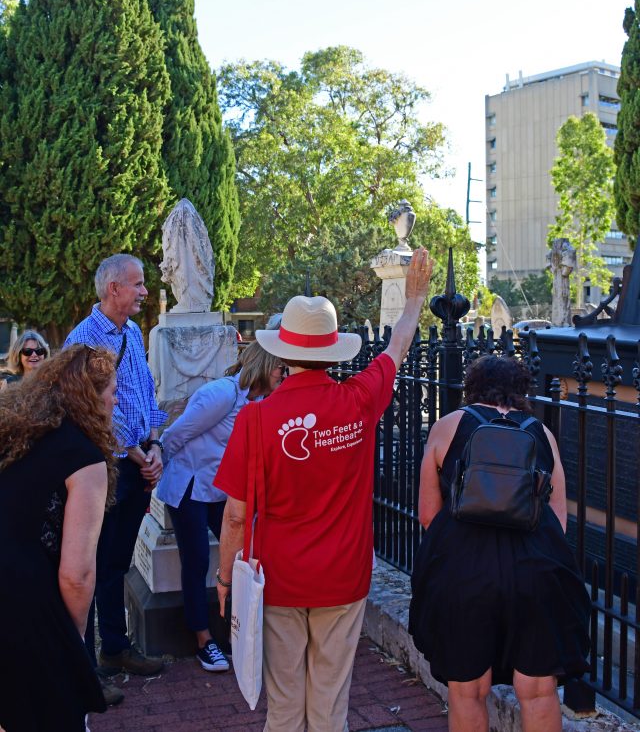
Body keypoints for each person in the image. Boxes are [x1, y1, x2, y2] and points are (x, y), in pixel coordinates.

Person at [215, 246, 434, 732]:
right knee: (331, 705)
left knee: (286, 706)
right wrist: (415, 298)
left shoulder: (255, 418)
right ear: (331, 350)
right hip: (342, 575)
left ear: (283, 352)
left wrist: (225, 578)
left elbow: (234, 515)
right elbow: (396, 347)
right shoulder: (358, 401)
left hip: (279, 577)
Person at [409, 355, 590, 732]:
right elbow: (558, 517)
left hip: (464, 569)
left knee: (468, 690)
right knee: (538, 690)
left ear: (472, 387)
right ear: (520, 390)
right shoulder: (541, 433)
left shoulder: (447, 428)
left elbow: (428, 514)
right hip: (535, 567)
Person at [64, 253, 166, 704]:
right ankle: (85, 672)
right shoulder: (83, 340)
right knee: (90, 566)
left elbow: (143, 396)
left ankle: (115, 651)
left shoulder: (133, 333)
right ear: (114, 290)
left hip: (136, 461)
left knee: (116, 564)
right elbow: (91, 411)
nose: (145, 291)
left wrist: (155, 445)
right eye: (138, 284)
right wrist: (136, 451)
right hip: (104, 466)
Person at [0, 345, 119, 732]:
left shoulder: (19, 435)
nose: (116, 400)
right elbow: (77, 574)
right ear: (90, 396)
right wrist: (71, 642)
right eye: (112, 391)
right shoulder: (85, 458)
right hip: (28, 607)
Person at [157, 342, 285, 672]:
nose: (283, 374)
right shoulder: (221, 394)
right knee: (197, 558)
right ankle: (203, 640)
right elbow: (175, 435)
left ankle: (241, 631)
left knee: (246, 556)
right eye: (280, 368)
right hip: (189, 486)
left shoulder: (262, 401)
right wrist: (153, 472)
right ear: (264, 363)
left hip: (222, 491)